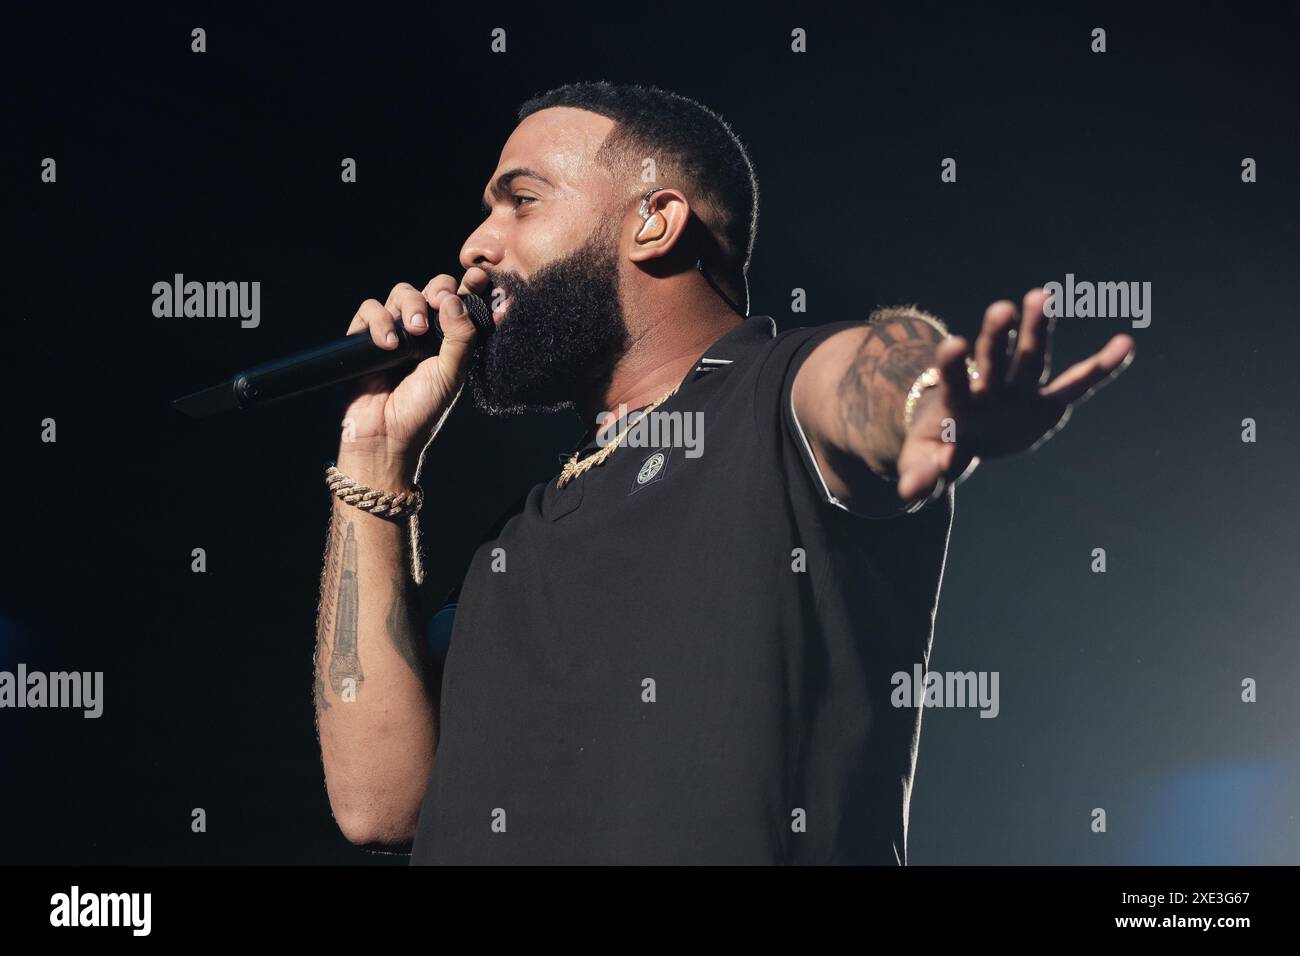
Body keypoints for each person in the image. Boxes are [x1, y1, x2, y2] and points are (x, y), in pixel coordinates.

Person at [311, 81, 1134, 865]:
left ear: (656, 221)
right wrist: (373, 450)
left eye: (520, 200)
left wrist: (924, 400)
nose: (474, 246)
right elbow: (379, 805)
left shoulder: (773, 395)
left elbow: (862, 379)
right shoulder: (514, 543)